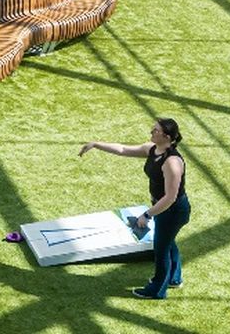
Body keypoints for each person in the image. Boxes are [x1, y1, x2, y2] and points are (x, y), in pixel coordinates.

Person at [79, 118, 190, 299]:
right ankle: (174, 278)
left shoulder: (172, 163)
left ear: (166, 136)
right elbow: (123, 149)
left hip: (173, 210)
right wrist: (96, 144)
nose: (151, 132)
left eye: (155, 130)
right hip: (163, 207)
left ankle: (157, 290)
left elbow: (170, 197)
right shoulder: (152, 149)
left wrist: (147, 215)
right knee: (168, 240)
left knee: (161, 248)